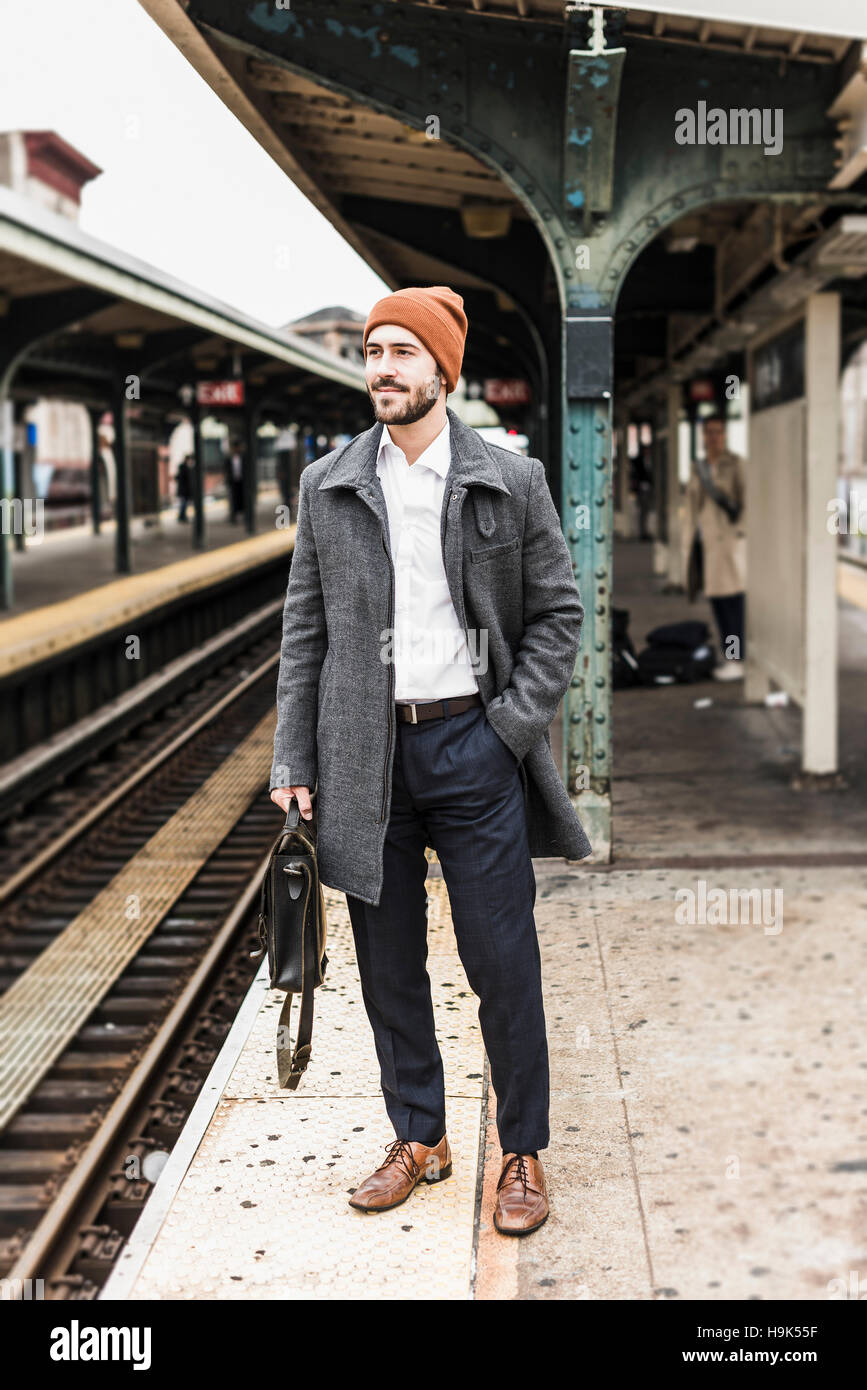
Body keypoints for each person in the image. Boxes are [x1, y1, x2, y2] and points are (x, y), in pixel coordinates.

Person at [268, 285, 592, 1236]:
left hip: (472, 744)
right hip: (364, 756)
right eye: (373, 350)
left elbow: (559, 618)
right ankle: (421, 1137)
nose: (381, 367)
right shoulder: (329, 484)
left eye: (403, 352)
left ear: (442, 372)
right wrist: (296, 756)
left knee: (502, 960)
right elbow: (304, 633)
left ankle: (520, 1151)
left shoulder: (508, 478)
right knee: (388, 964)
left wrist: (506, 729)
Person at [686, 413, 747, 680]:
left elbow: (747, 502)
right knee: (719, 604)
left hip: (731, 547)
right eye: (709, 432)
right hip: (708, 546)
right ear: (703, 435)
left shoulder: (736, 464)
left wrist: (739, 536)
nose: (713, 437)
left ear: (725, 435)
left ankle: (736, 659)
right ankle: (730, 656)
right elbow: (691, 506)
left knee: (733, 604)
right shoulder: (697, 467)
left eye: (718, 432)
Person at [224, 439, 244, 522]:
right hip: (233, 482)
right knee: (233, 500)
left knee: (242, 499)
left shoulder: (243, 457)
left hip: (242, 482)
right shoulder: (229, 458)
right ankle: (233, 517)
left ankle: (243, 515)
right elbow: (227, 470)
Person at [175, 454, 192, 522]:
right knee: (184, 504)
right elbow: (186, 479)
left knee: (183, 503)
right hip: (184, 490)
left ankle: (182, 516)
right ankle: (182, 516)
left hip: (183, 490)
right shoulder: (185, 468)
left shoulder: (183, 467)